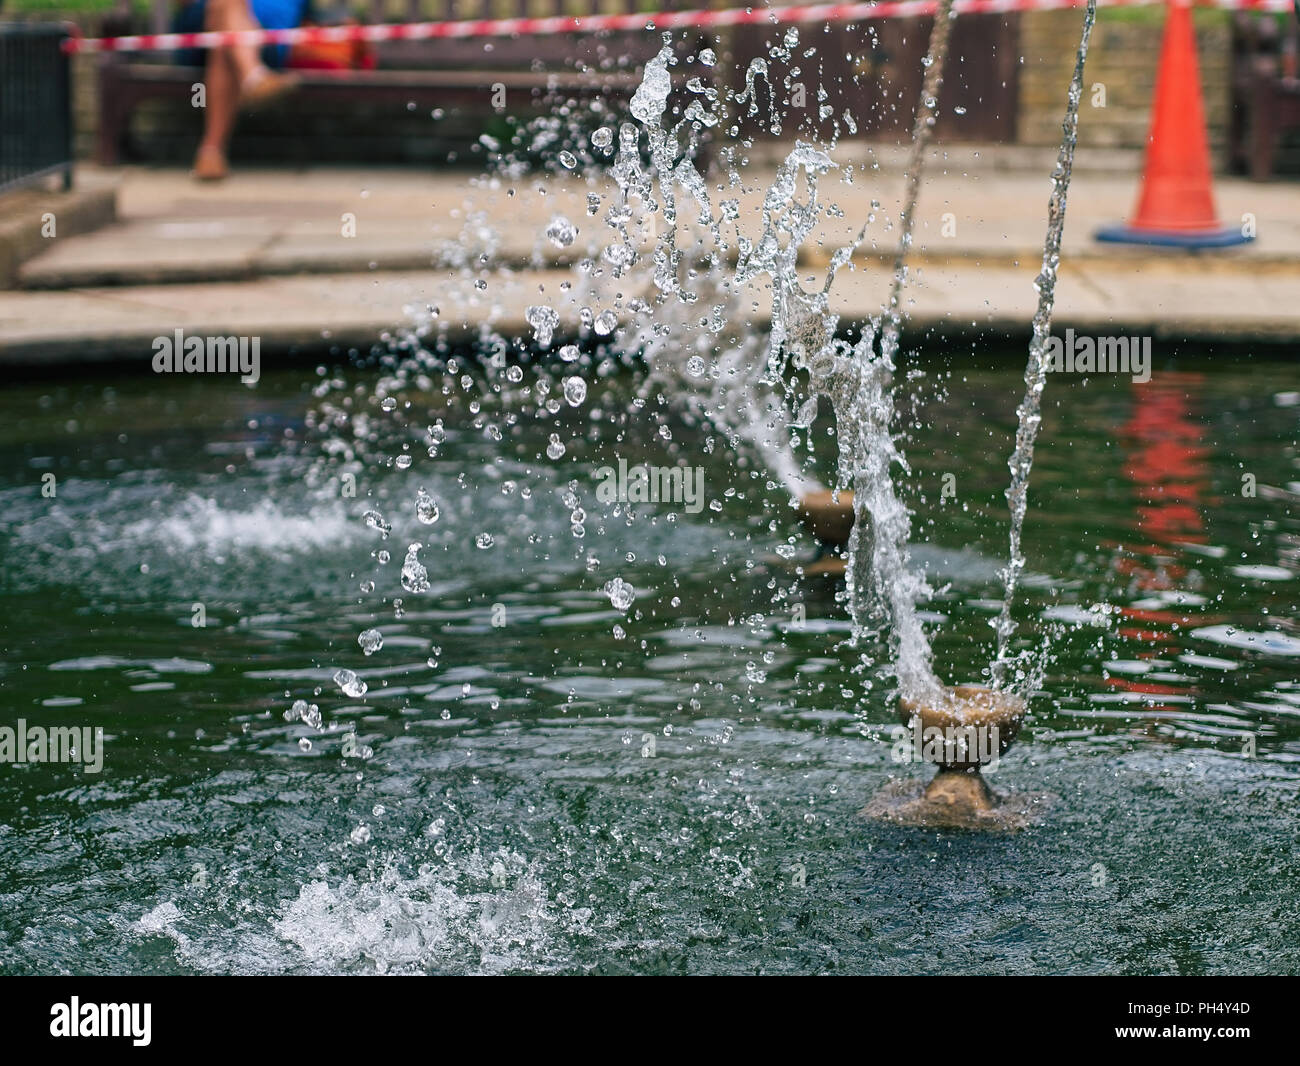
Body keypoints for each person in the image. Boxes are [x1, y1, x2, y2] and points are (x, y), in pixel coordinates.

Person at [175, 0, 309, 180]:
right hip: (201, 35)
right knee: (227, 11)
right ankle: (253, 77)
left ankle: (211, 152)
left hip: (266, 38)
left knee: (224, 40)